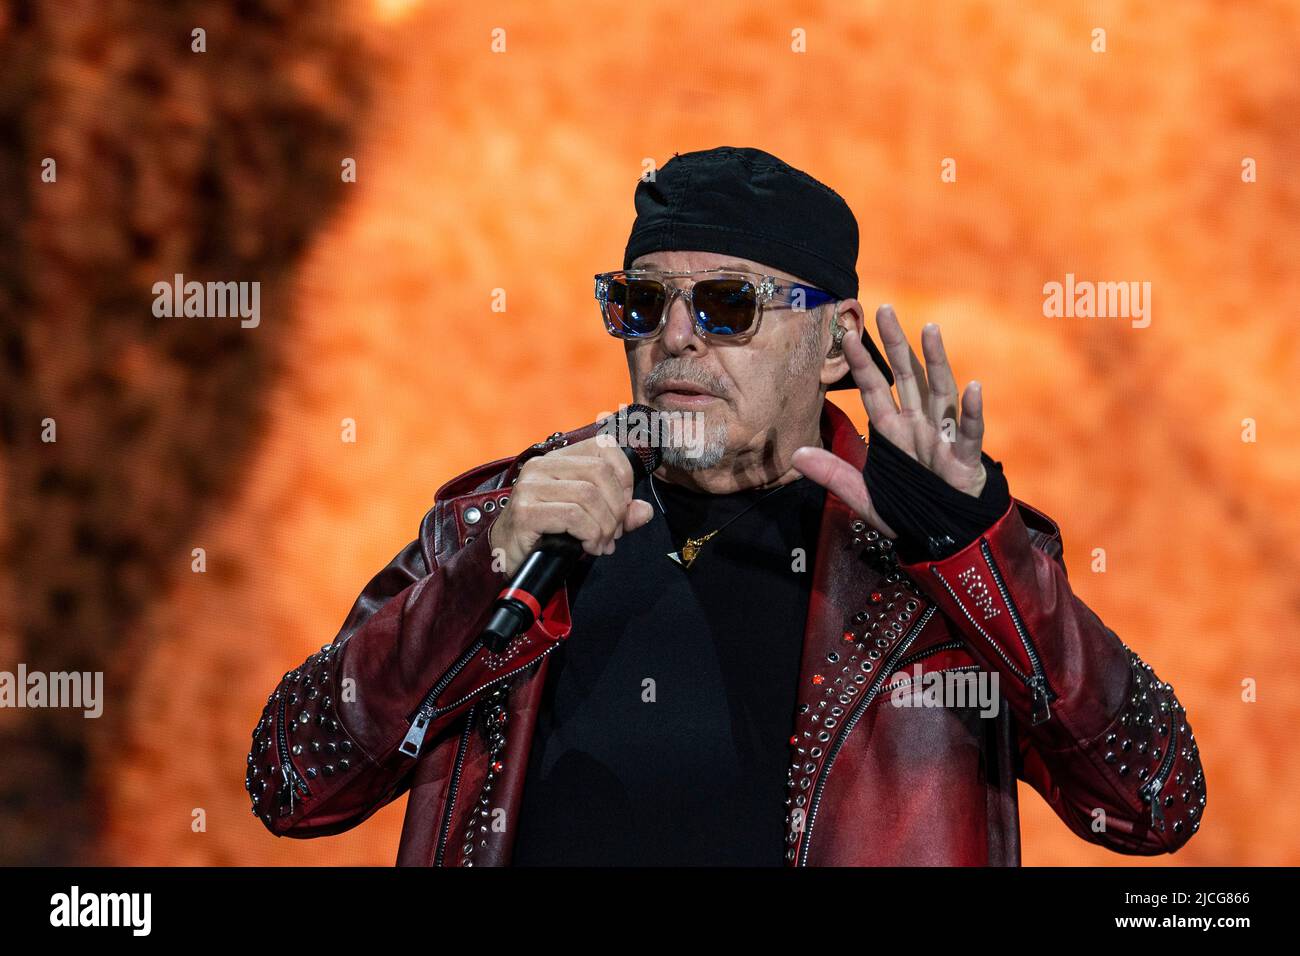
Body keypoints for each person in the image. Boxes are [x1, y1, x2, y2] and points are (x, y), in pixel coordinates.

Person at [246, 145, 1205, 865]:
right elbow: (291, 783)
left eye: (727, 306)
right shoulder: (505, 522)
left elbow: (1154, 800)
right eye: (640, 303)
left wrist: (973, 550)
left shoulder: (939, 567)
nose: (674, 339)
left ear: (835, 348)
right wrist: (478, 575)